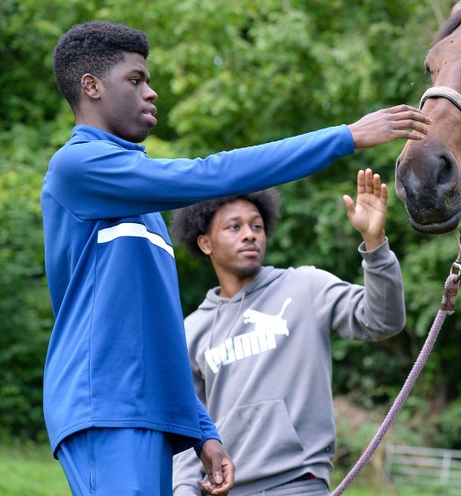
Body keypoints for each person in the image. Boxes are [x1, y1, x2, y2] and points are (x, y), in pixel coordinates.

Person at [41, 20, 428, 496]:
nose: (152, 92)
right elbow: (210, 176)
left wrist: (203, 432)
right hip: (105, 407)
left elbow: (157, 335)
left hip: (149, 412)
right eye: (136, 79)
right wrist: (345, 136)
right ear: (91, 86)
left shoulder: (141, 210)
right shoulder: (77, 167)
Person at [170, 169, 405, 495]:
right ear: (205, 243)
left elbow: (384, 320)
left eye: (256, 226)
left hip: (299, 483)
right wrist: (183, 489)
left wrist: (374, 242)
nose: (249, 234)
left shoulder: (306, 287)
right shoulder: (191, 330)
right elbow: (187, 425)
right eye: (234, 227)